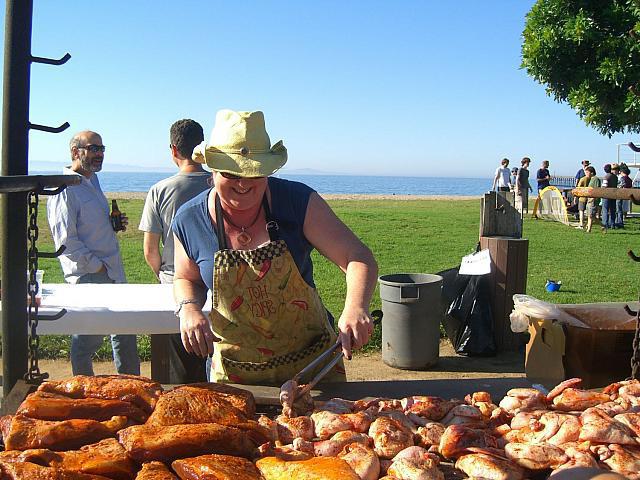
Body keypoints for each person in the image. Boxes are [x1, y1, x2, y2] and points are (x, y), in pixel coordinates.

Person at [172, 109, 378, 385]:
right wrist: (189, 308)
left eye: (254, 173)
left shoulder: (297, 201)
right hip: (236, 373)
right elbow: (185, 277)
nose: (243, 183)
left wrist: (356, 307)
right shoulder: (190, 219)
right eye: (231, 174)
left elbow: (357, 257)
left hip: (311, 366)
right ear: (211, 169)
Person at [47, 131, 140, 376]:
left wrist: (110, 224)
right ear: (75, 152)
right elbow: (66, 241)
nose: (99, 154)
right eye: (93, 148)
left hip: (111, 270)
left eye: (102, 148)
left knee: (125, 332)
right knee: (87, 341)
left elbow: (86, 226)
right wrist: (97, 267)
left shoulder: (92, 180)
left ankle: (131, 388)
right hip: (90, 274)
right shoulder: (63, 188)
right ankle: (84, 392)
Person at [138, 119, 211, 383]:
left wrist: (164, 274)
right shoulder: (218, 183)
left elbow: (150, 250)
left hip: (175, 287)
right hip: (218, 281)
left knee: (178, 371)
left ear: (173, 150)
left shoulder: (160, 190)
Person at [601, 163, 618, 231]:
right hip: (613, 195)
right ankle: (612, 224)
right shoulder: (615, 177)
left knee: (605, 210)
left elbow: (604, 186)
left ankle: (605, 224)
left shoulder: (606, 177)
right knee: (613, 210)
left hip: (606, 195)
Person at [584, 166, 601, 233]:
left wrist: (593, 198)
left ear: (591, 172)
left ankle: (589, 229)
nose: (586, 174)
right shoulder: (591, 179)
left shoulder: (595, 179)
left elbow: (596, 190)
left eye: (587, 172)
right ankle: (602, 225)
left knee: (591, 215)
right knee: (589, 215)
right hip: (589, 199)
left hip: (593, 200)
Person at [614, 163, 632, 229]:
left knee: (618, 209)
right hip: (627, 196)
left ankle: (619, 222)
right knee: (623, 209)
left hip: (620, 195)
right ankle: (622, 220)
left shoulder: (621, 178)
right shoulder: (629, 179)